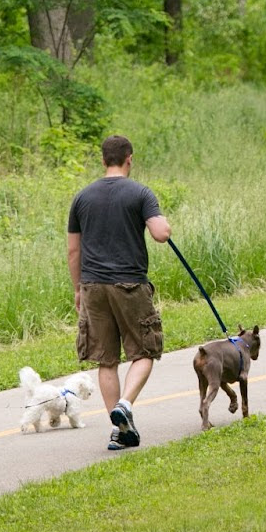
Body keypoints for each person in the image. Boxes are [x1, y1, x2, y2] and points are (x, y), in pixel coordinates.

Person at [68, 134, 171, 451]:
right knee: (144, 351)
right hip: (129, 284)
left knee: (106, 360)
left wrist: (78, 290)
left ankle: (121, 432)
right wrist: (163, 223)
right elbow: (160, 234)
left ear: (103, 160)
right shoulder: (140, 192)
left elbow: (74, 251)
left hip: (93, 287)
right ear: (130, 159)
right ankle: (125, 404)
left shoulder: (82, 198)